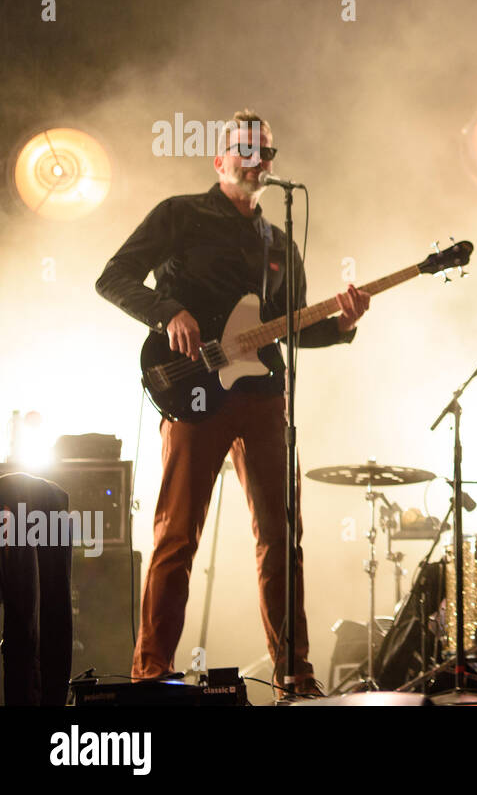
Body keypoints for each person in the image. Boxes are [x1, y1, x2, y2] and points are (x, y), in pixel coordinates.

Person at [96, 110, 370, 696]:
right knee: (177, 535)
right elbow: (113, 276)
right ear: (220, 159)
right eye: (244, 150)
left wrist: (343, 324)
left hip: (264, 396)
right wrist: (167, 312)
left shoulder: (278, 240)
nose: (257, 160)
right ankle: (151, 675)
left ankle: (294, 672)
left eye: (265, 151)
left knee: (281, 535)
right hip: (191, 389)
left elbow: (292, 328)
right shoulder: (181, 214)